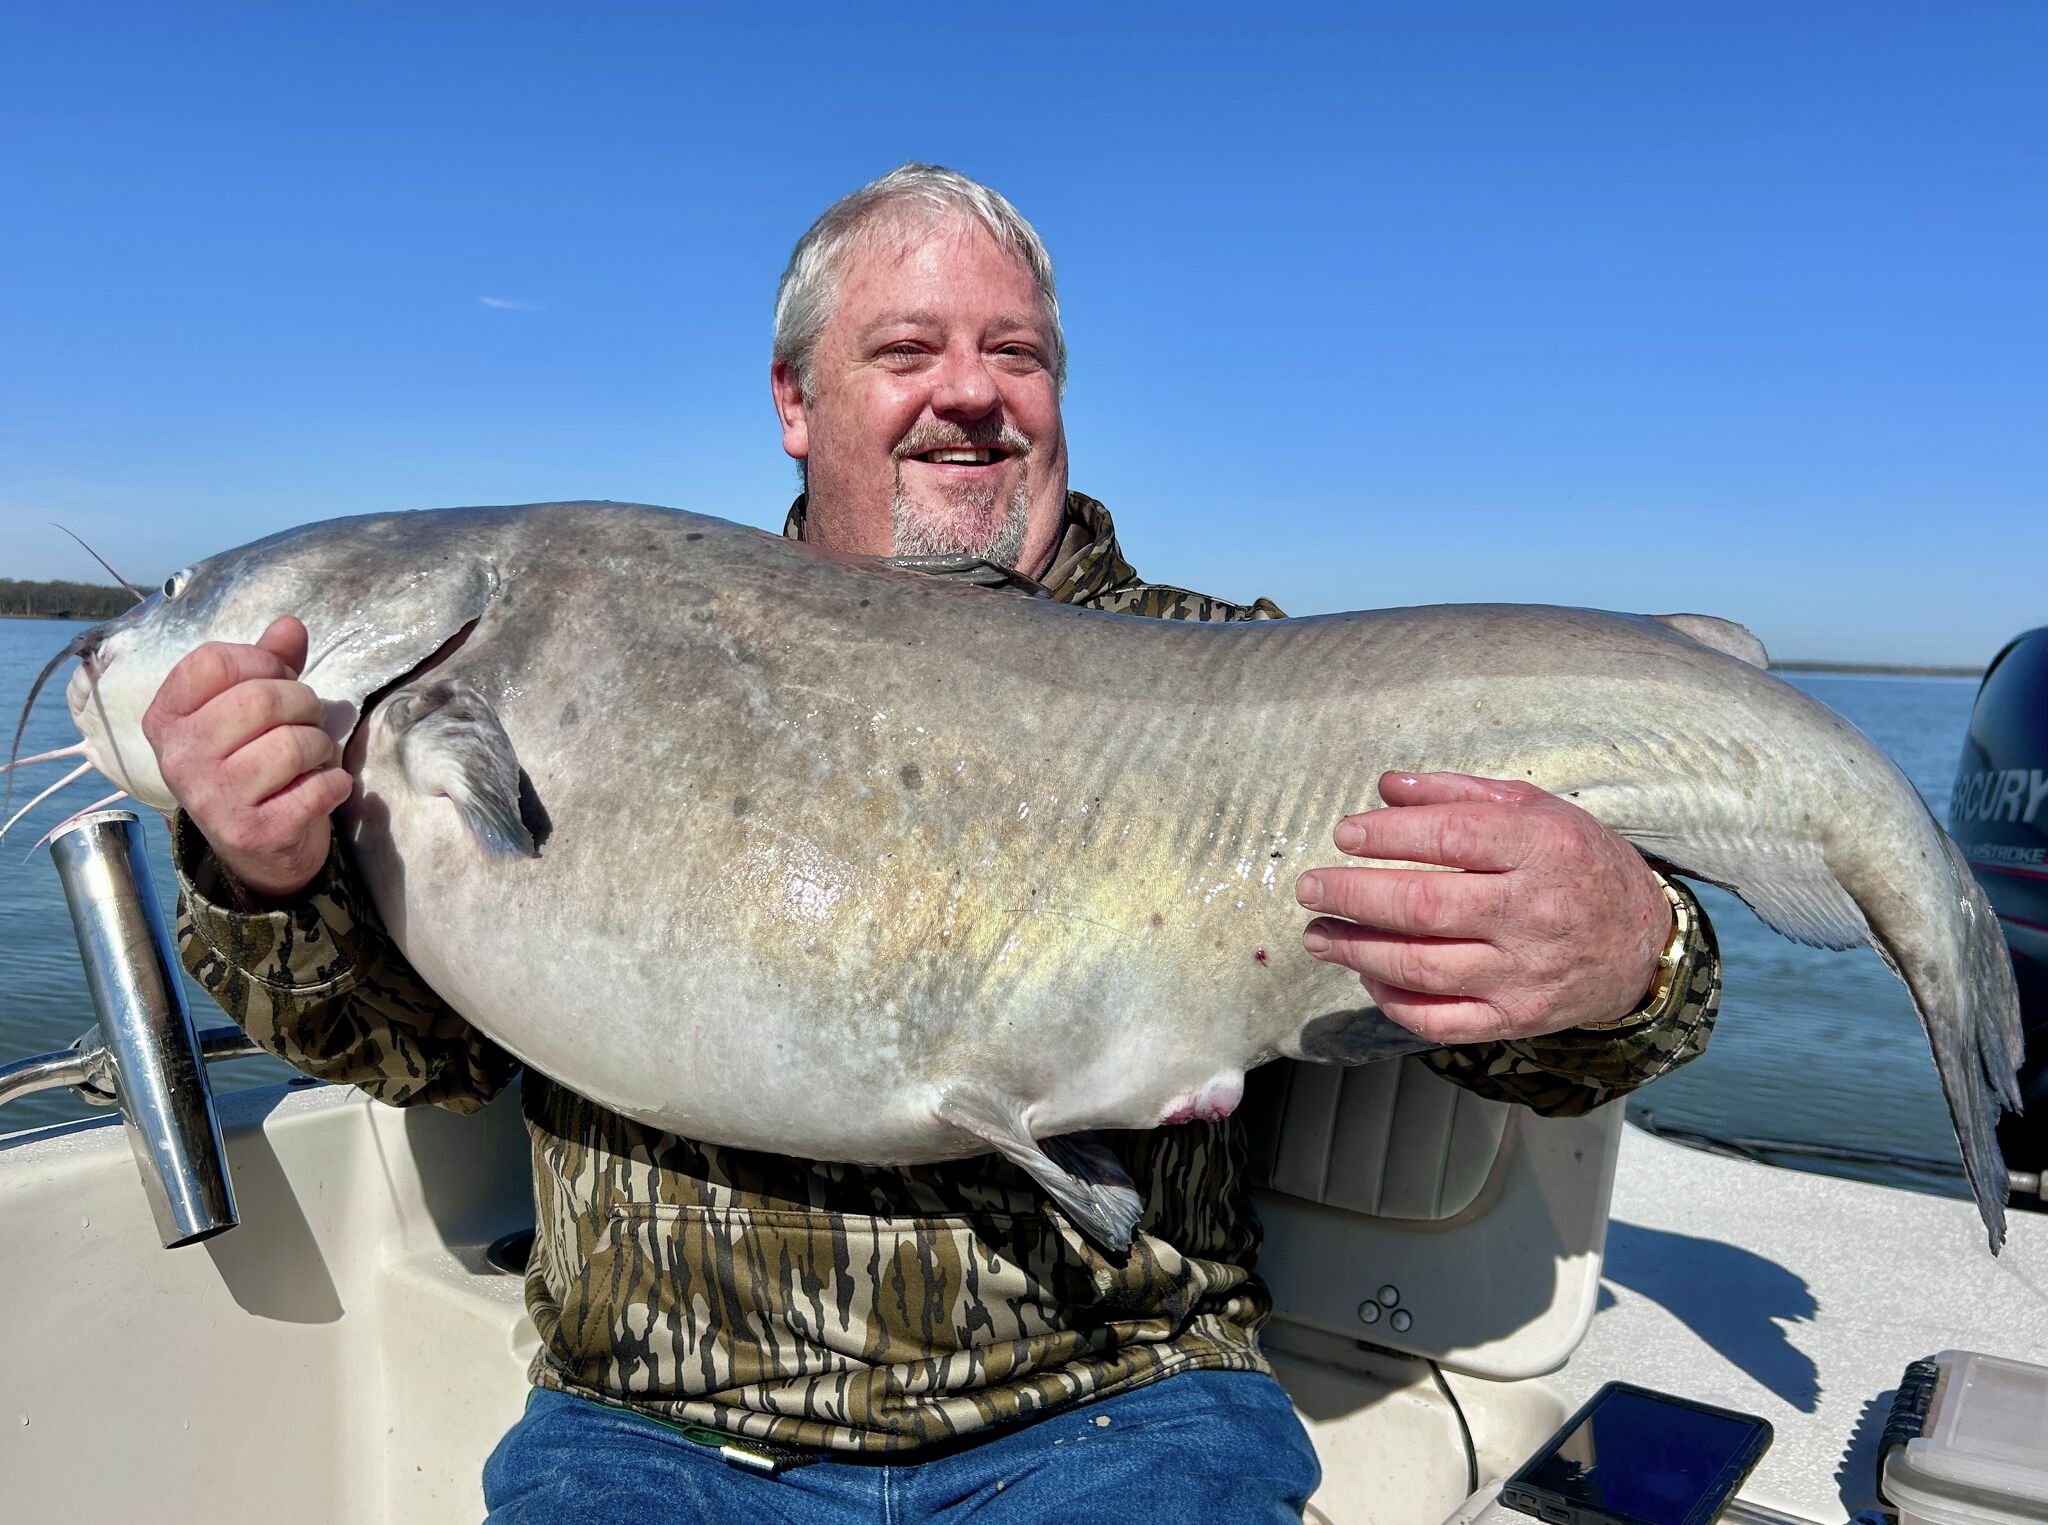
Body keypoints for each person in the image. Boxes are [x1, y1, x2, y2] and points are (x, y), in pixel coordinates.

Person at [147, 164, 1721, 1522]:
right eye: (906, 348)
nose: (970, 392)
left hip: (1120, 1413)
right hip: (654, 1430)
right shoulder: (597, 646)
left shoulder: (1243, 680)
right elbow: (418, 1059)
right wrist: (266, 871)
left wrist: (1629, 958)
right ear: (793, 401)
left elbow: (1541, 1040)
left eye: (1015, 354)